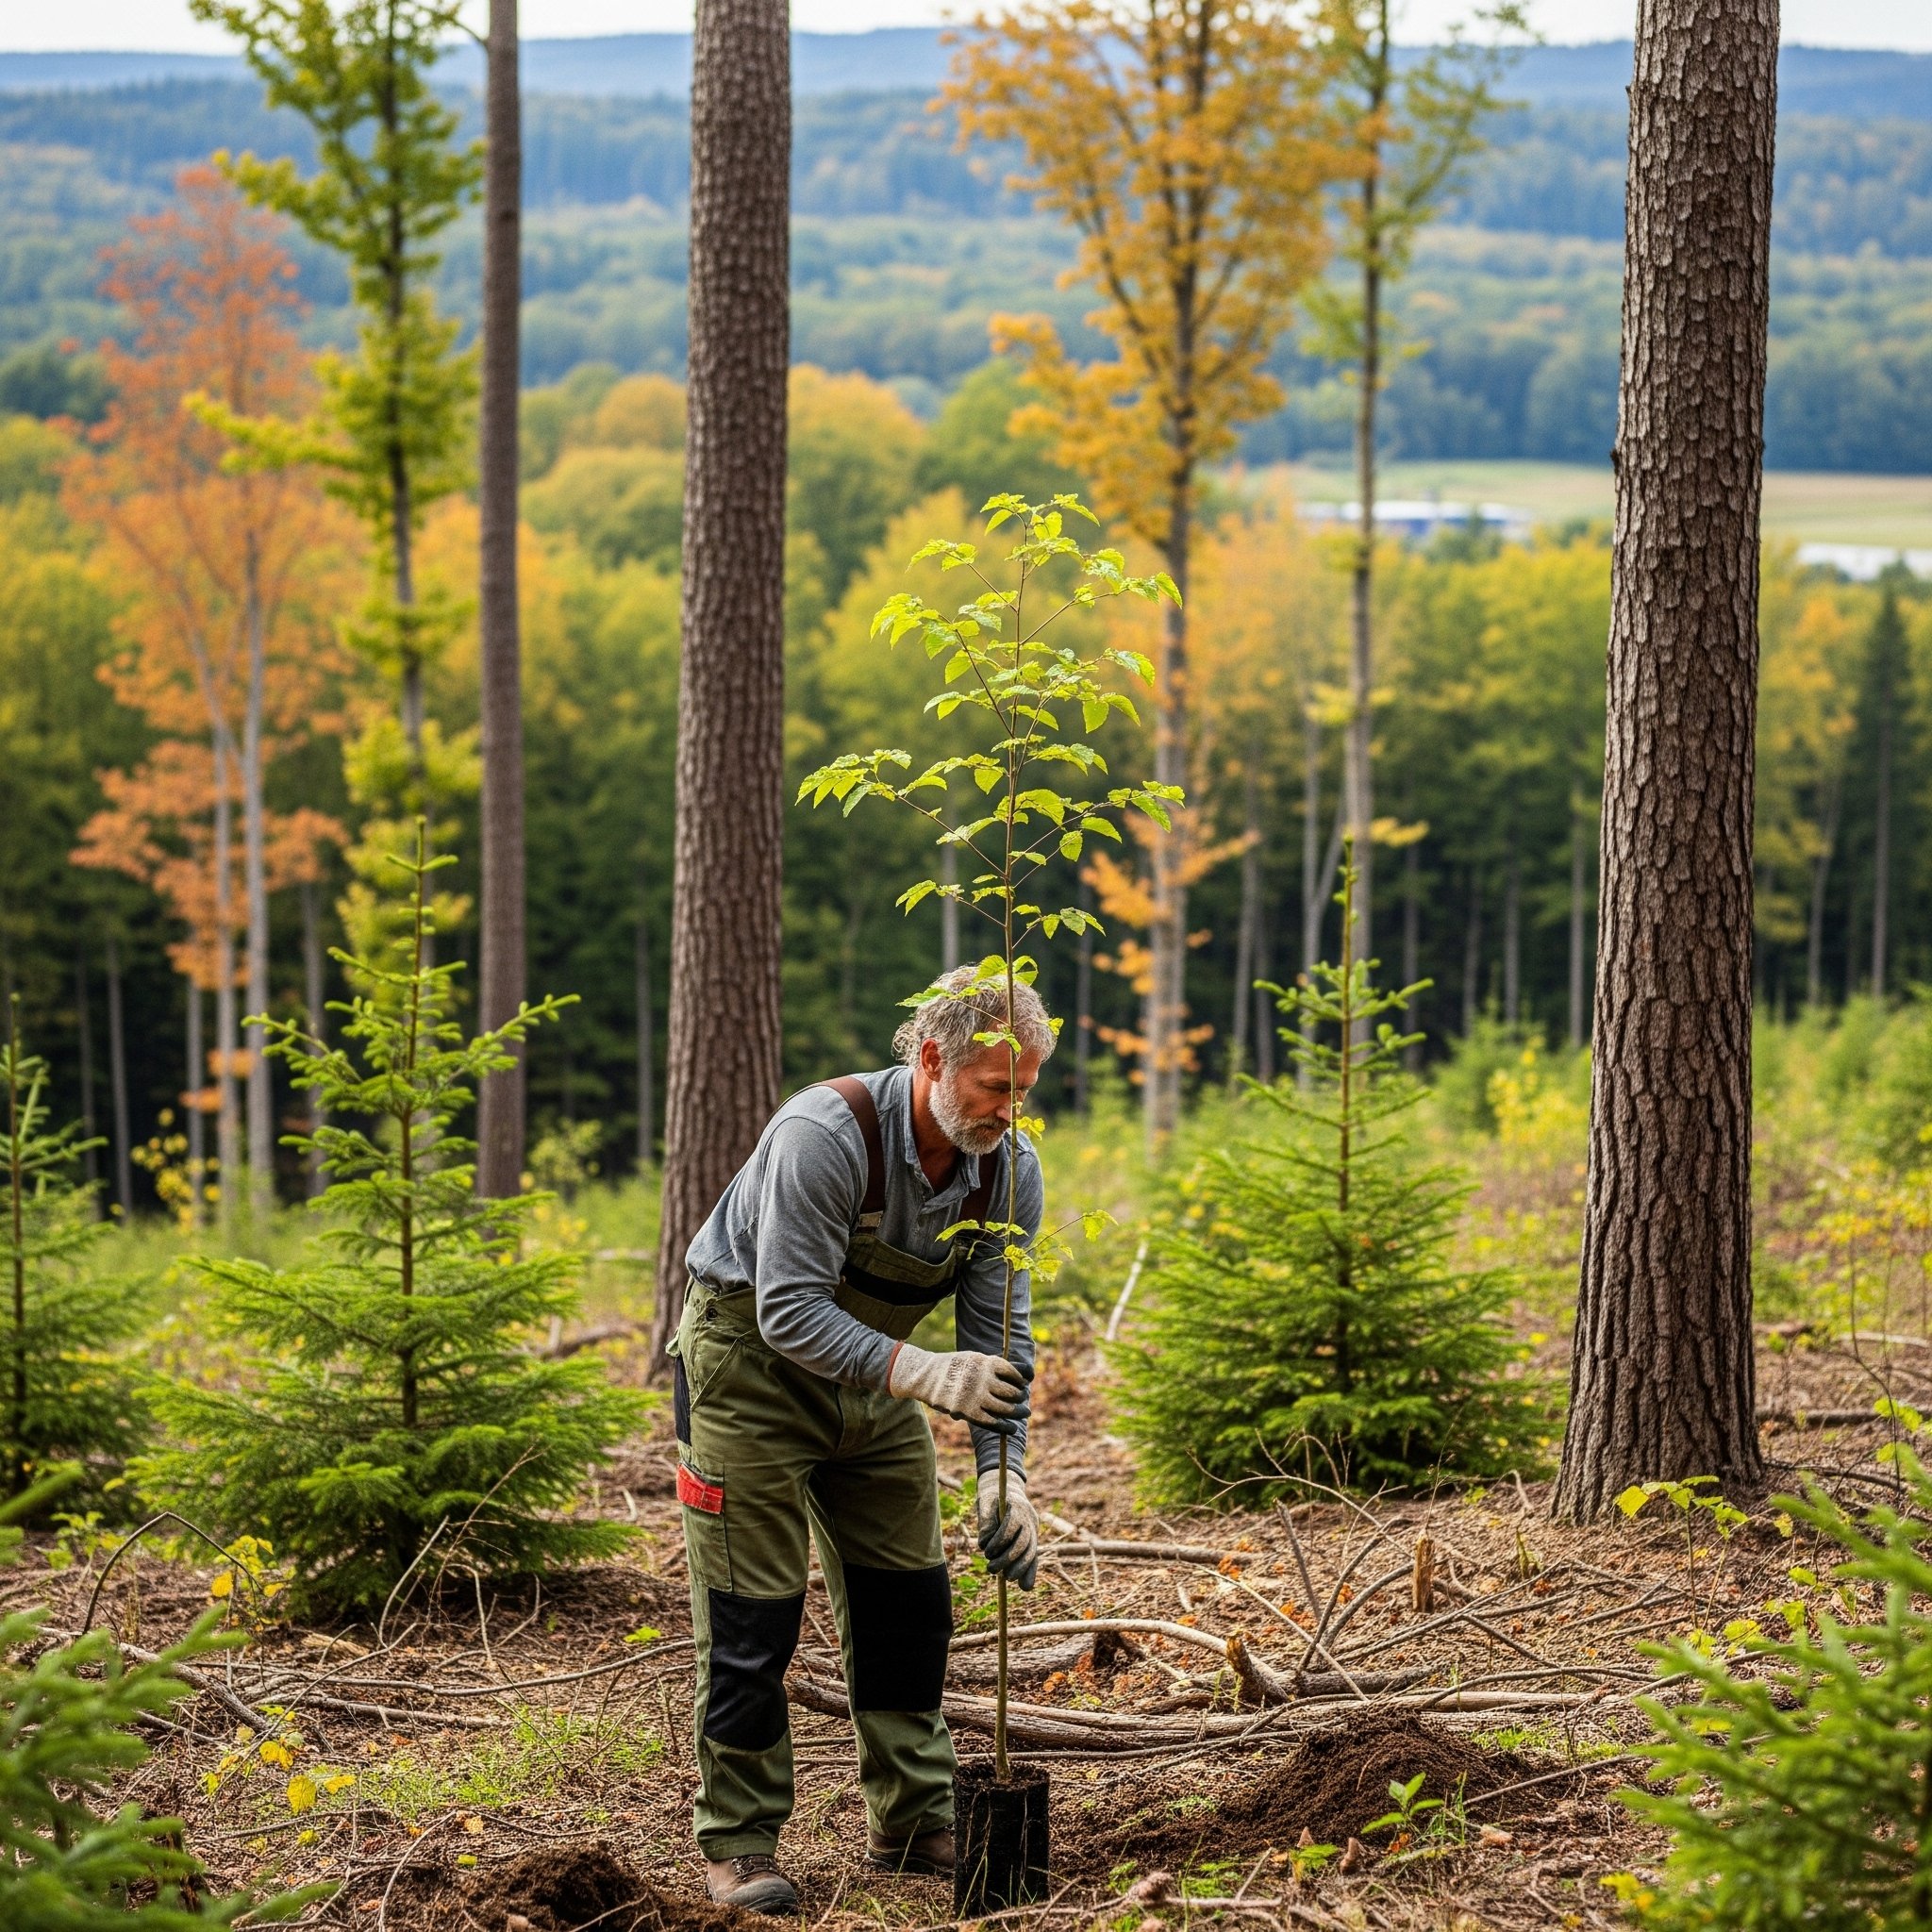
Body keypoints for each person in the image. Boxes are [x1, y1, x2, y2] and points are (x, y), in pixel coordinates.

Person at [672, 966, 1049, 1914]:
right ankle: (740, 1838)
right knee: (752, 1616)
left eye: (1025, 1087)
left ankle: (916, 1816)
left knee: (905, 1602)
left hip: (871, 1382)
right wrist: (923, 1376)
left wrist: (1003, 1473)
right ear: (931, 1059)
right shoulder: (824, 1134)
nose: (1010, 1108)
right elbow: (790, 1309)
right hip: (747, 1371)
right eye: (993, 1085)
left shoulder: (1008, 1169)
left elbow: (999, 1336)